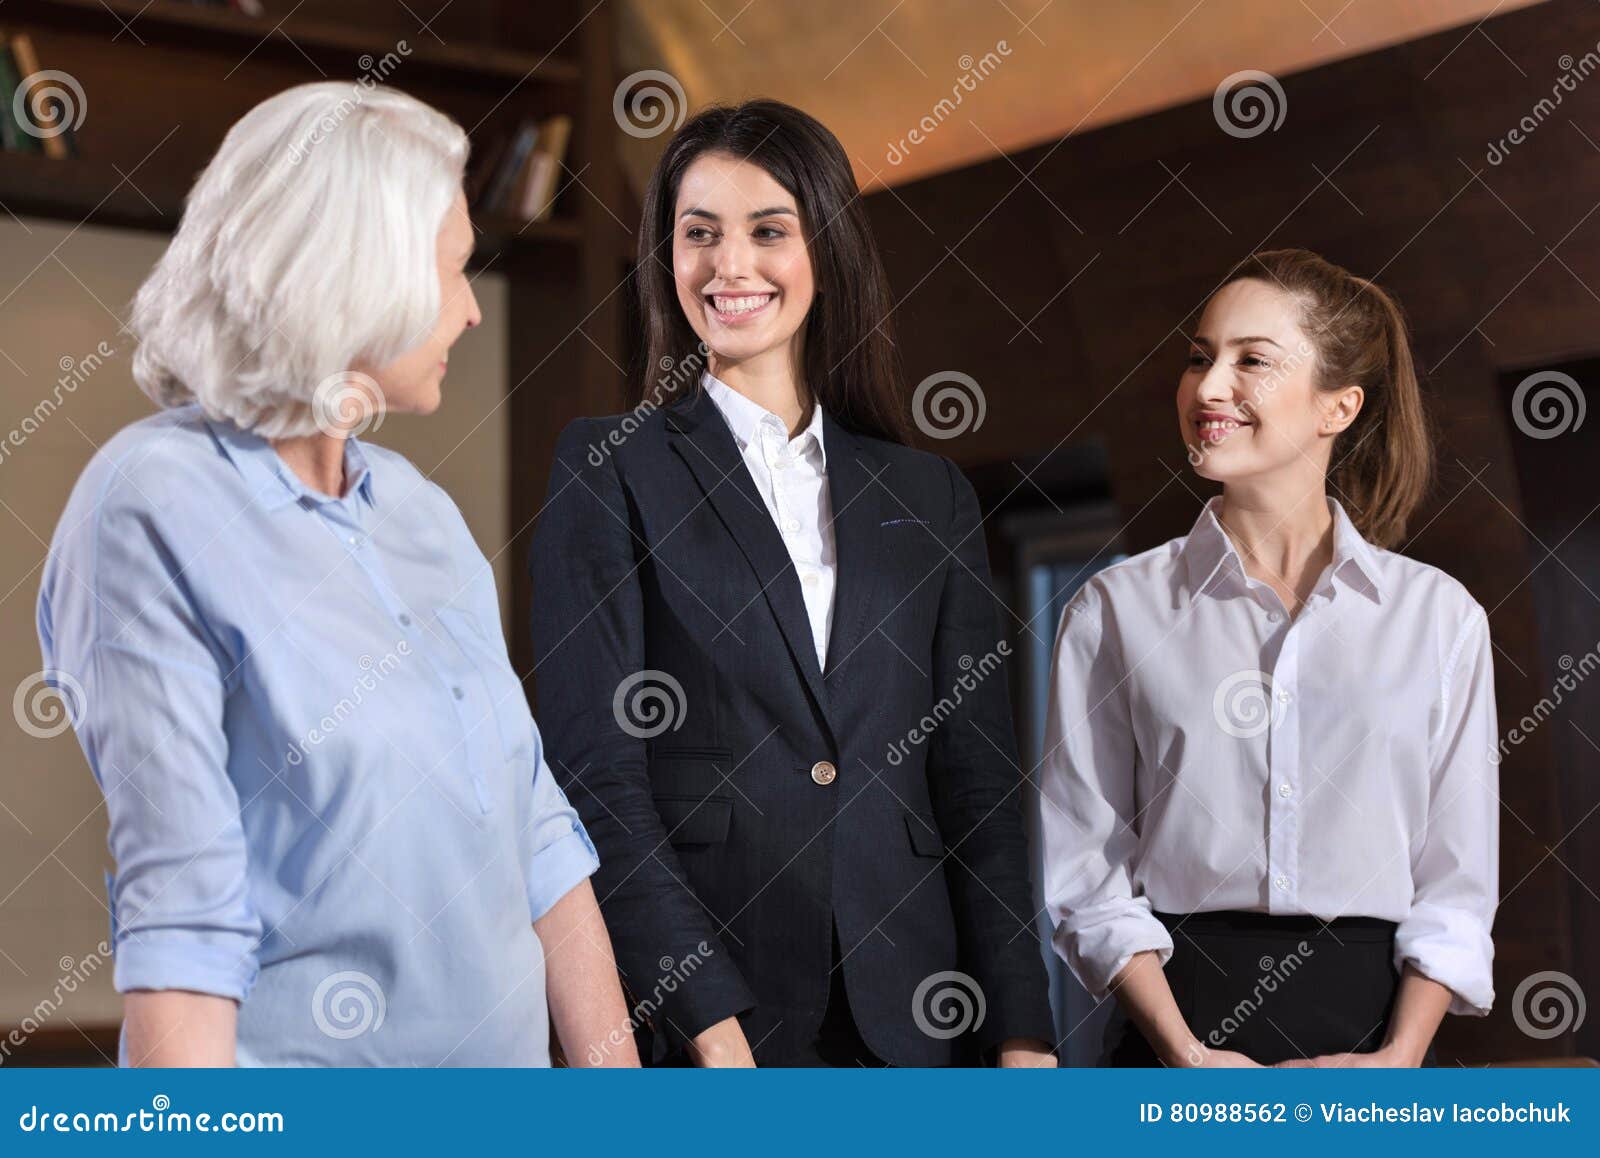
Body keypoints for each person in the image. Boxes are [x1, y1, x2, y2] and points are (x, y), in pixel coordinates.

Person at [37, 82, 636, 1067]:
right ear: (359, 276)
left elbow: (538, 836)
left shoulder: (420, 512)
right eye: (451, 272)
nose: (471, 313)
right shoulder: (150, 501)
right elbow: (183, 908)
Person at [529, 99, 1056, 1067]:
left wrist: (1024, 1035)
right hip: (711, 1024)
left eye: (767, 231)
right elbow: (598, 777)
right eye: (699, 236)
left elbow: (978, 788)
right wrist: (710, 1026)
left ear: (826, 250)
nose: (730, 267)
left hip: (916, 1022)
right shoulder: (608, 466)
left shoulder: (927, 495)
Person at [1039, 248, 1498, 1067]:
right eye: (1198, 358)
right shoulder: (1114, 610)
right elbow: (1087, 873)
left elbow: (1456, 885)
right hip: (1168, 1038)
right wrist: (1182, 1050)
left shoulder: (1440, 617)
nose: (1208, 387)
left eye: (1251, 359)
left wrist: (1398, 1061)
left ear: (1339, 406)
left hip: (1377, 1045)